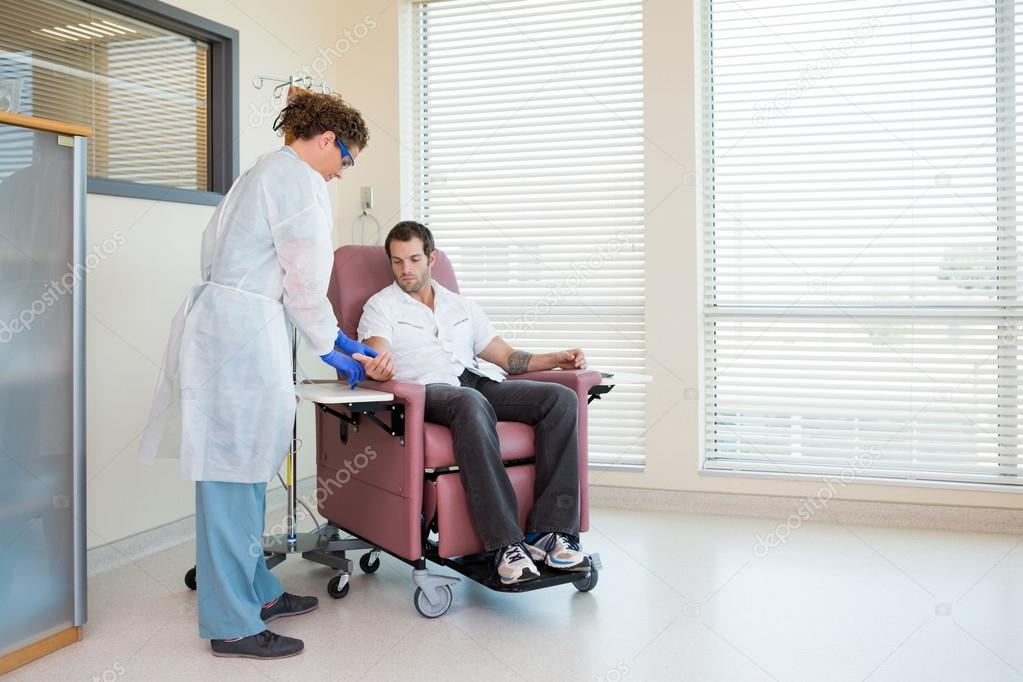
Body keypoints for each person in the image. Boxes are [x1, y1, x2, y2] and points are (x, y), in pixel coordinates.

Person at [138, 91, 375, 660]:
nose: (343, 171)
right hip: (237, 337)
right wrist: (333, 344)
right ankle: (232, 623)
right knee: (229, 478)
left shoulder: (264, 172)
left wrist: (331, 339)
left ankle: (258, 591)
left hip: (236, 328)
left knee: (245, 472)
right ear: (325, 141)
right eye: (346, 158)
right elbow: (305, 281)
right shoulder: (298, 181)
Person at [356, 221, 592, 586]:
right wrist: (378, 360)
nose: (406, 269)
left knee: (559, 399)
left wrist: (555, 358)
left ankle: (551, 533)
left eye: (415, 259)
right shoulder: (381, 306)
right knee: (468, 401)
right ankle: (506, 545)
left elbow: (507, 357)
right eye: (397, 261)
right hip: (428, 392)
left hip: (477, 382)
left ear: (431, 258)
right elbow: (376, 347)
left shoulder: (460, 305)